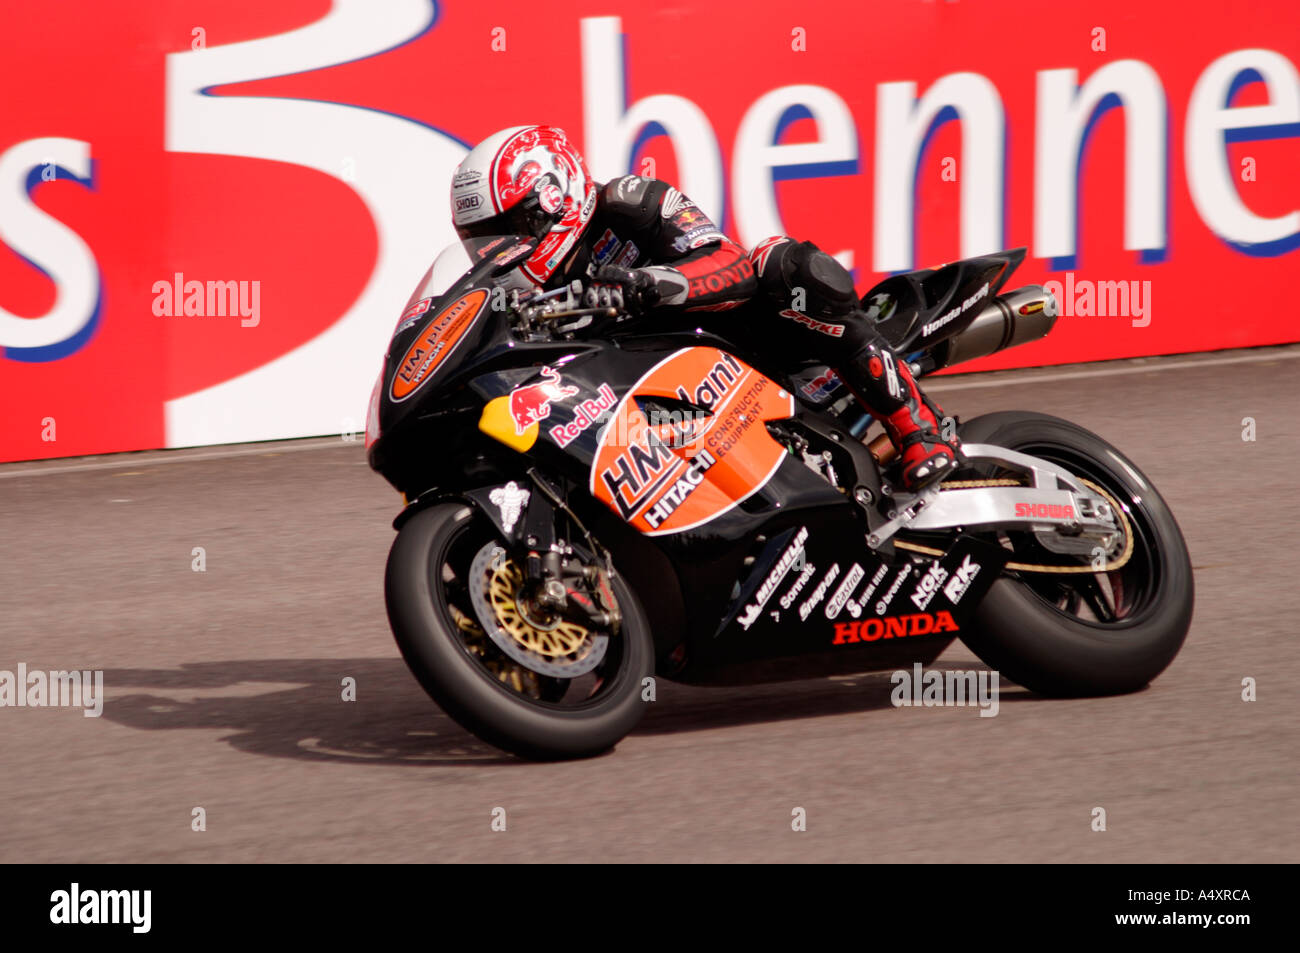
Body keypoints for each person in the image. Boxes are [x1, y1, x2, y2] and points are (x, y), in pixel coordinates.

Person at [450, 125, 960, 490]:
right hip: (655, 399)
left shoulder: (630, 203)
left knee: (783, 264)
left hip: (753, 347)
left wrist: (644, 284)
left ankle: (918, 427)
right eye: (483, 240)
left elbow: (730, 263)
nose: (499, 248)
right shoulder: (523, 289)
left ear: (551, 198)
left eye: (509, 229)